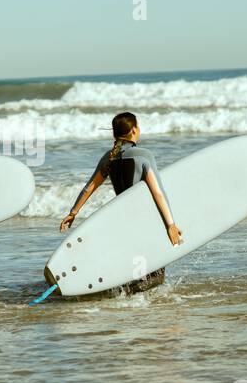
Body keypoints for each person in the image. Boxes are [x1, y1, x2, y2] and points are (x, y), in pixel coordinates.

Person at [59, 111, 182, 290]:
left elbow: (90, 187)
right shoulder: (143, 155)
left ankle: (126, 305)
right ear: (133, 130)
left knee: (136, 269)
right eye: (137, 127)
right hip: (147, 222)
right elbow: (158, 193)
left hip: (123, 223)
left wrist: (73, 213)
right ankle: (141, 308)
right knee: (155, 276)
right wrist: (170, 224)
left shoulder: (109, 157)